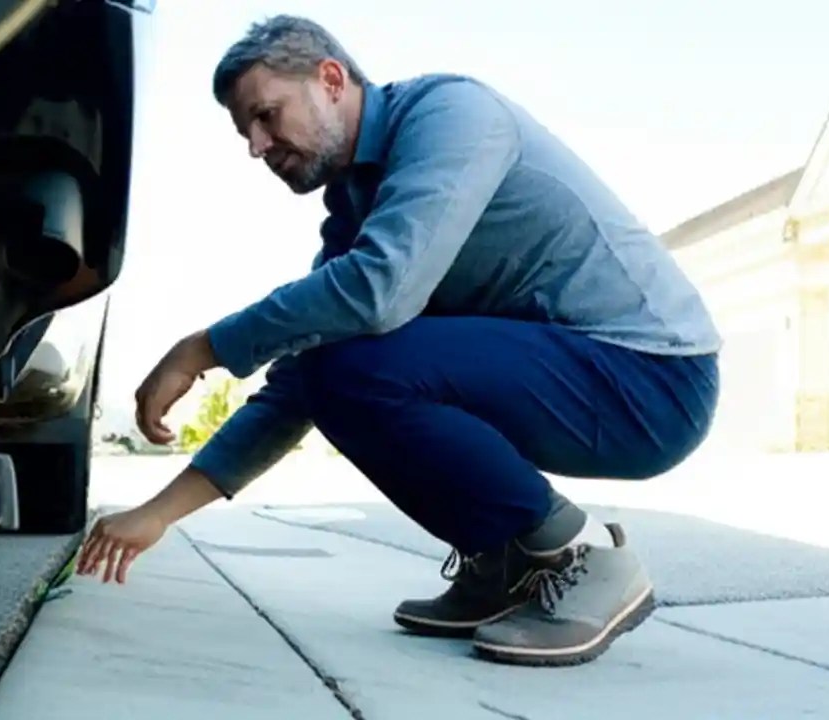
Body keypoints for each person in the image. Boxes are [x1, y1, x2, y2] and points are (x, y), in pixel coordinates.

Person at [75, 15, 721, 666]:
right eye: (246, 130)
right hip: (583, 376)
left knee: (354, 358)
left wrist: (203, 348)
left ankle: (585, 556)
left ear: (331, 79)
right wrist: (158, 512)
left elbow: (380, 290)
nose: (257, 145)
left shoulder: (452, 117)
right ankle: (505, 563)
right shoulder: (357, 206)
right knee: (331, 363)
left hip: (653, 378)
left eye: (267, 115)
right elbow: (301, 380)